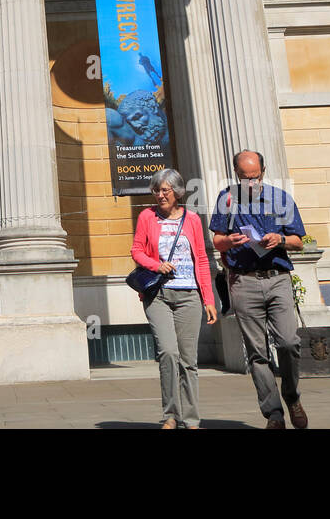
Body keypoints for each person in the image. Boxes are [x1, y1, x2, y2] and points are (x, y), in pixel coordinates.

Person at [210, 150, 309, 430]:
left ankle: (292, 396)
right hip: (243, 281)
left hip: (277, 278)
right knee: (257, 352)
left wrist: (279, 239)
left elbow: (298, 241)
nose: (250, 184)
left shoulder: (280, 198)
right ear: (235, 174)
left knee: (289, 342)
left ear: (263, 172)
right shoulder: (226, 199)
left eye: (255, 177)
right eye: (244, 178)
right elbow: (217, 241)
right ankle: (274, 414)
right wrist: (229, 240)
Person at [131, 169, 217, 429]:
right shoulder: (147, 216)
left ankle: (191, 418)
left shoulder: (191, 219)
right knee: (168, 352)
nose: (160, 195)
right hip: (157, 294)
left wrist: (208, 299)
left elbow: (201, 259)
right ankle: (171, 414)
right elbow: (136, 250)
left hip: (189, 294)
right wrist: (157, 266)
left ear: (177, 192)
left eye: (165, 190)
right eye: (156, 190)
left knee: (188, 360)